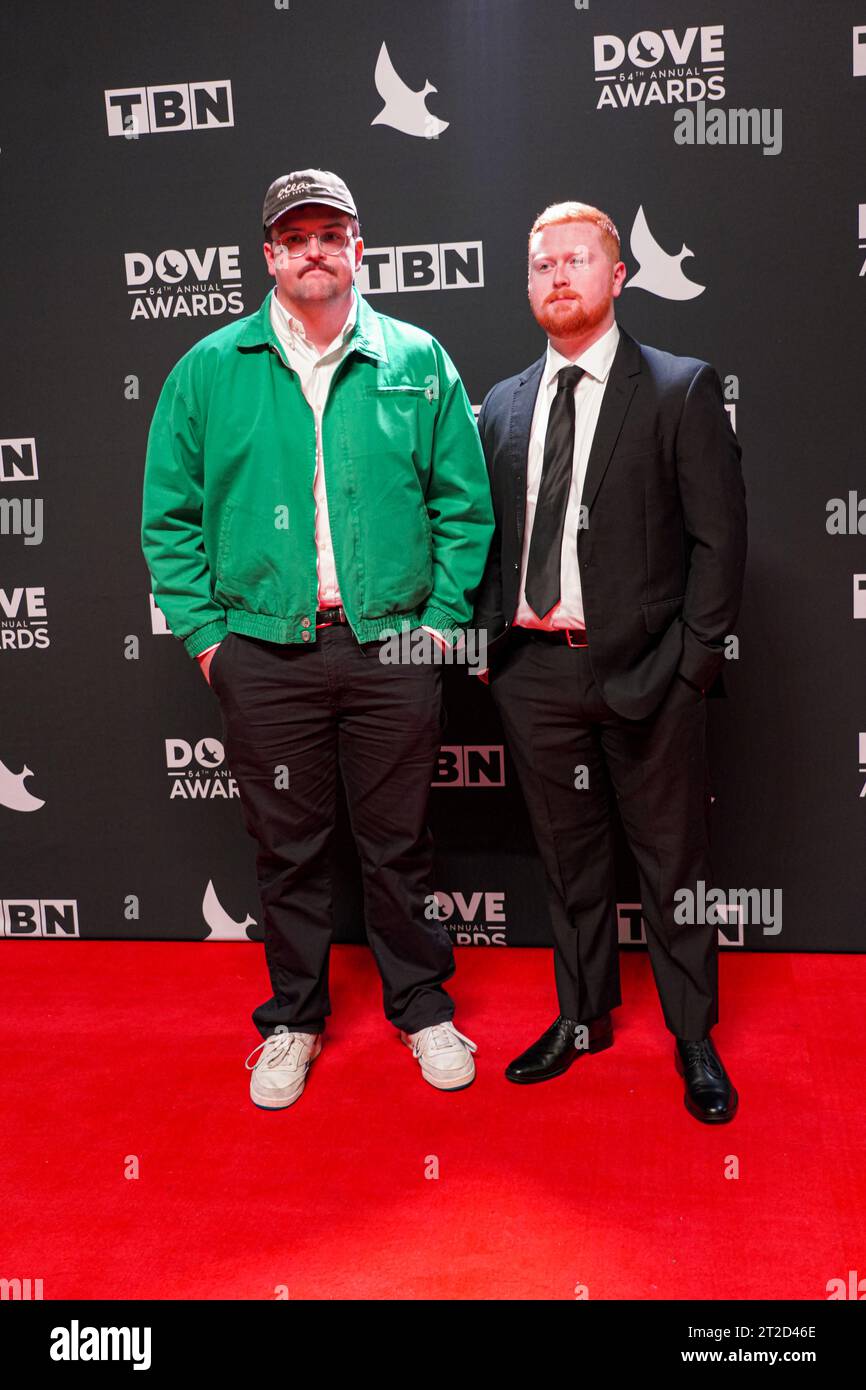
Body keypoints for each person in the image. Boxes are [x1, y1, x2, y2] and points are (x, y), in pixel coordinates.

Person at [141, 169, 494, 1110]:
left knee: (398, 843)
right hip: (263, 650)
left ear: (357, 247)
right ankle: (293, 1020)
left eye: (328, 234)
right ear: (269, 256)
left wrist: (439, 628)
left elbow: (464, 507)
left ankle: (421, 1008)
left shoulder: (418, 358)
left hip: (392, 648)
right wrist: (211, 639)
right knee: (287, 848)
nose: (312, 251)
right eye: (292, 237)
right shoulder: (209, 369)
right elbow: (168, 521)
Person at [474, 200, 747, 1123]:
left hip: (649, 673)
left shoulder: (678, 387)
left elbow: (720, 541)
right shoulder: (501, 405)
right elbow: (481, 540)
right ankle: (581, 1017)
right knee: (567, 862)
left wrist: (692, 666)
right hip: (534, 674)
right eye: (540, 262)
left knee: (673, 865)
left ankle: (693, 1037)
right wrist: (487, 655)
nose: (557, 275)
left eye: (576, 259)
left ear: (617, 275)